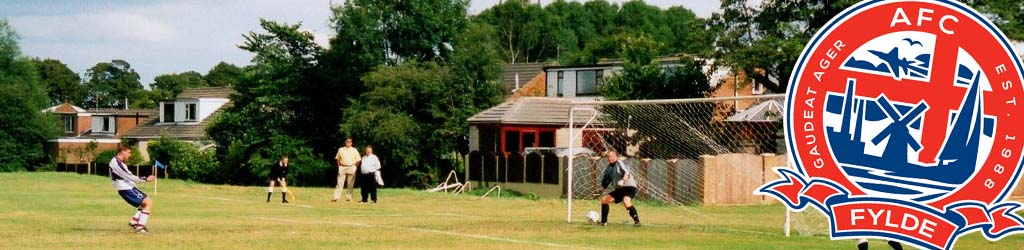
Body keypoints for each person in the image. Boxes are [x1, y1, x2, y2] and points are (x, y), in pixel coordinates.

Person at [108, 144, 156, 234]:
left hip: (127, 187)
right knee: (148, 202)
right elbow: (129, 176)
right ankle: (140, 228)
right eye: (129, 152)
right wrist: (146, 179)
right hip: (126, 188)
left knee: (144, 203)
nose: (130, 155)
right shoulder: (116, 163)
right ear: (123, 151)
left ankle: (134, 222)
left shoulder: (118, 162)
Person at [598, 150, 641, 227]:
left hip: (629, 187)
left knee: (626, 201)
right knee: (604, 200)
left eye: (611, 156)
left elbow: (627, 173)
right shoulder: (609, 168)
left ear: (616, 157)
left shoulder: (619, 163)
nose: (609, 158)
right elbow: (606, 180)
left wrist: (623, 180)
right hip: (620, 189)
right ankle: (604, 222)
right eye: (608, 156)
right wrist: (601, 190)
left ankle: (637, 221)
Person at [333, 138, 361, 202]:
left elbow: (358, 159)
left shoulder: (354, 150)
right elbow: (337, 158)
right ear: (345, 142)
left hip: (351, 167)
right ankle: (336, 197)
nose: (349, 142)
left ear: (351, 143)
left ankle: (348, 198)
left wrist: (355, 167)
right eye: (347, 141)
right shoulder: (341, 149)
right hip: (342, 167)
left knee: (350, 184)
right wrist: (339, 166)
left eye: (350, 141)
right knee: (339, 183)